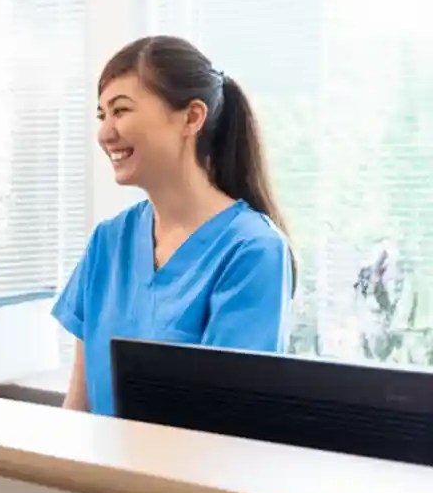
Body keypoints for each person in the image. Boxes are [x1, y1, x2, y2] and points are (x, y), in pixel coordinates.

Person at [53, 35, 294, 416]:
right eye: (102, 115)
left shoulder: (253, 251)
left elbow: (231, 423)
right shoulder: (108, 242)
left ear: (192, 117)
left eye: (121, 110)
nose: (105, 133)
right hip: (100, 475)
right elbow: (78, 406)